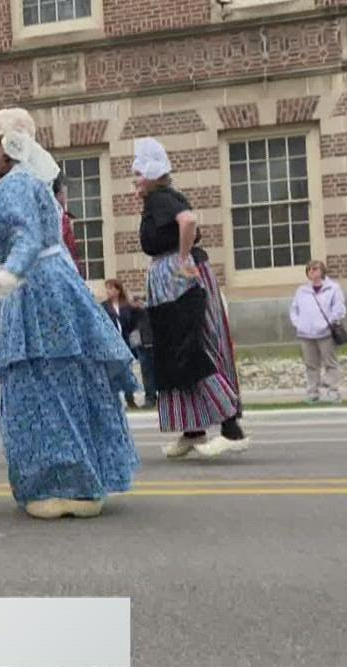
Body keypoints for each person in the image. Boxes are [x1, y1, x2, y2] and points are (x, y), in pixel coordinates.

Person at [0, 108, 138, 519]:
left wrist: (2, 278)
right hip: (48, 285)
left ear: (9, 145)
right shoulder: (26, 183)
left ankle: (65, 482)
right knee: (59, 379)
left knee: (41, 383)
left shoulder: (16, 186)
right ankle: (76, 478)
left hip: (36, 291)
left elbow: (26, 240)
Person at [133, 137, 247, 459]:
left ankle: (230, 427)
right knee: (175, 351)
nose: (136, 180)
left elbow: (188, 221)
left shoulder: (162, 198)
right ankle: (193, 428)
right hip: (170, 278)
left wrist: (182, 259)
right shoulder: (160, 199)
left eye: (140, 174)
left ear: (154, 175)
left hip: (176, 279)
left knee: (189, 347)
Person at [289, 260, 347, 404]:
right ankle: (312, 392)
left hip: (325, 333)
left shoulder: (333, 288)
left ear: (322, 271)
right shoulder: (301, 291)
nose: (313, 272)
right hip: (306, 334)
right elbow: (294, 309)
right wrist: (298, 324)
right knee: (311, 365)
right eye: (310, 270)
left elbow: (339, 308)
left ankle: (333, 391)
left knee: (330, 363)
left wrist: (329, 322)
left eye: (316, 269)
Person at [101, 278, 142, 410]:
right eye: (107, 288)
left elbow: (134, 321)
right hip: (112, 342)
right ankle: (114, 400)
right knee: (113, 372)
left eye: (111, 288)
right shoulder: (104, 306)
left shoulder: (126, 305)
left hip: (125, 341)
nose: (109, 291)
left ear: (118, 290)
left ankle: (130, 398)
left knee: (127, 371)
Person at [52, 175, 83, 277]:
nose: (65, 197)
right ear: (58, 195)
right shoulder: (58, 218)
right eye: (63, 193)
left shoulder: (61, 215)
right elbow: (68, 246)